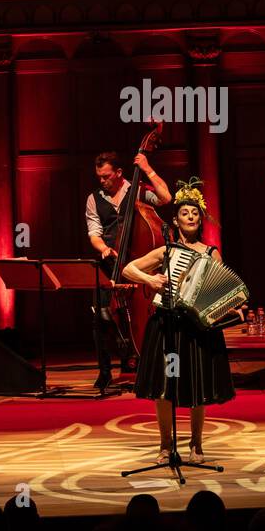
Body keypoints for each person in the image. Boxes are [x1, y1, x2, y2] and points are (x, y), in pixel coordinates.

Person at [122, 180, 235, 465]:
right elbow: (127, 269)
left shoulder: (212, 253)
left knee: (196, 387)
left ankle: (196, 444)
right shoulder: (166, 251)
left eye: (195, 213)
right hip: (167, 324)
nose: (191, 217)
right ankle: (165, 445)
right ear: (176, 219)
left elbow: (223, 290)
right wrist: (150, 279)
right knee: (164, 387)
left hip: (196, 327)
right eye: (185, 213)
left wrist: (228, 306)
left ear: (201, 218)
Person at [85, 150, 171, 388]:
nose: (102, 181)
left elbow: (166, 197)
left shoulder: (139, 190)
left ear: (119, 173)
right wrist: (103, 248)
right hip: (109, 264)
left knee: (143, 316)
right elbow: (94, 232)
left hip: (137, 265)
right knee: (100, 317)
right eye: (99, 177)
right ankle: (104, 372)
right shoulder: (94, 198)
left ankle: (145, 363)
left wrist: (148, 169)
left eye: (106, 176)